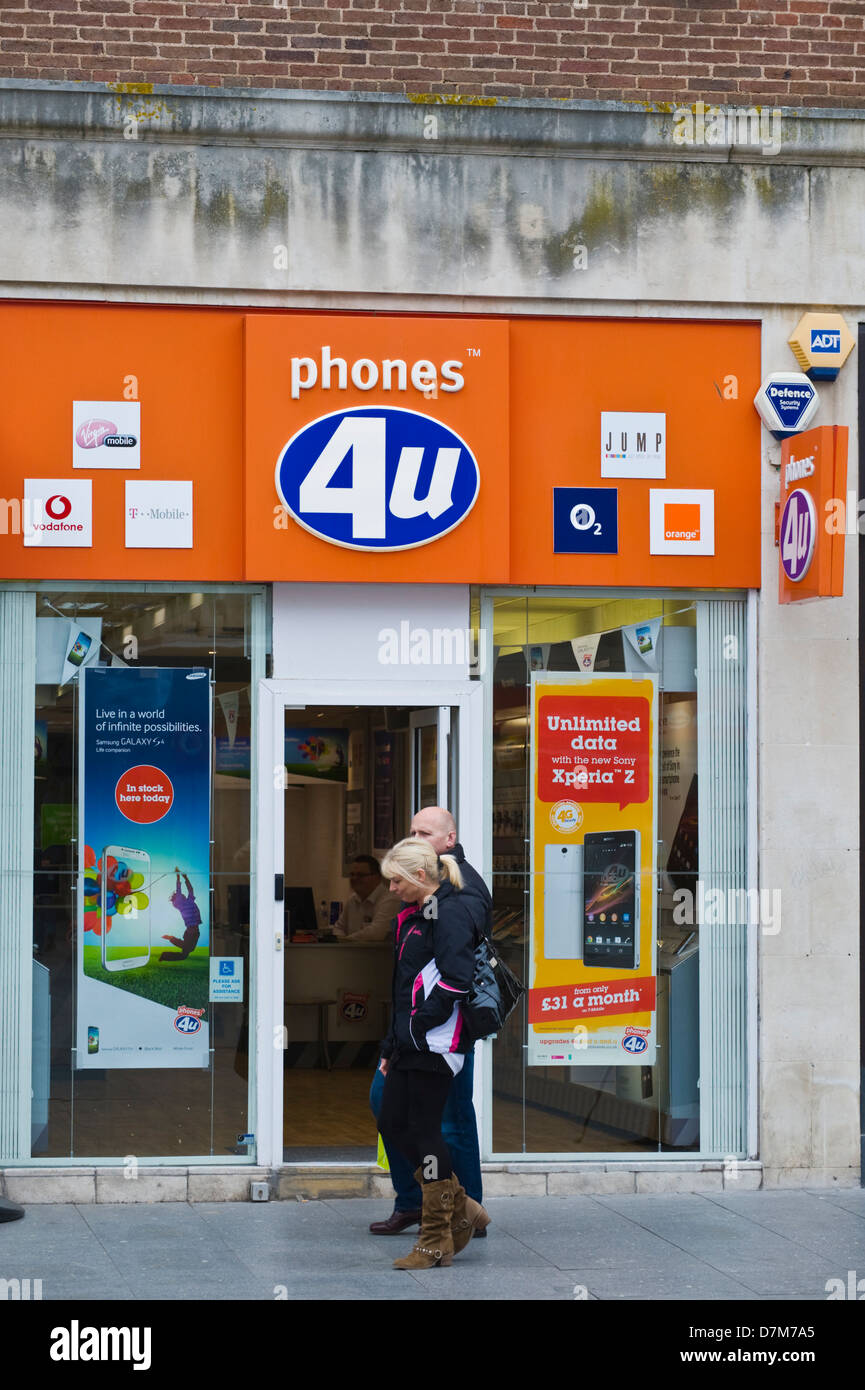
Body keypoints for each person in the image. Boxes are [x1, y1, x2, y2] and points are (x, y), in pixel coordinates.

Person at [369, 805, 490, 1236]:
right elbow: (411, 977)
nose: (417, 836)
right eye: (412, 829)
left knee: (447, 1120)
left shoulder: (459, 894)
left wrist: (418, 1027)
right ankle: (424, 1202)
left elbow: (455, 972)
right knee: (397, 1114)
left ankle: (462, 1211)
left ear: (449, 840)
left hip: (443, 1035)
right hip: (415, 1033)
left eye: (426, 831)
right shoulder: (421, 901)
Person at [331, 855, 394, 942]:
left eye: (361, 875)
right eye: (352, 874)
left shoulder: (391, 900)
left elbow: (376, 934)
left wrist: (345, 941)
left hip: (377, 955)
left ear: (377, 877)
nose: (354, 878)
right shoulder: (352, 900)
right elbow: (338, 928)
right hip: (351, 954)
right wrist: (342, 944)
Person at [160, 868, 201, 962]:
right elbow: (179, 890)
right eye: (180, 895)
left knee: (187, 950)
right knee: (185, 953)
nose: (182, 894)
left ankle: (171, 940)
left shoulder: (190, 900)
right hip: (192, 931)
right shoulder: (180, 904)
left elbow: (191, 889)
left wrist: (186, 878)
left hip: (192, 931)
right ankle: (167, 949)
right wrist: (178, 877)